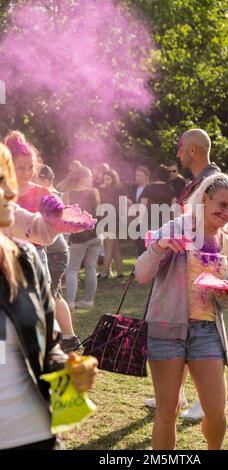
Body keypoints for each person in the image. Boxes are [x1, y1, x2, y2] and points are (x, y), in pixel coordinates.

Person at [135, 173, 228, 450]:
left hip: (207, 332)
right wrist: (159, 247)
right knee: (166, 411)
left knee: (217, 412)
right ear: (205, 198)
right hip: (165, 329)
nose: (227, 212)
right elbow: (141, 274)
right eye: (222, 204)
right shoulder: (175, 229)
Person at [0, 143, 98, 450]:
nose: (7, 193)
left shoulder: (26, 261)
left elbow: (46, 347)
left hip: (37, 434)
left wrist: (66, 374)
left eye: (6, 182)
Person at [145, 129, 222, 420]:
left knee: (204, 327)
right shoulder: (196, 182)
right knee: (183, 326)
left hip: (205, 265)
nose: (176, 154)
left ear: (193, 151)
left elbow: (222, 225)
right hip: (184, 265)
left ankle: (205, 399)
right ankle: (175, 392)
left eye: (180, 148)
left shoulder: (213, 181)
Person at [35, 164, 81, 352]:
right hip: (54, 251)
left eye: (35, 176)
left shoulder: (50, 196)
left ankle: (53, 340)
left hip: (55, 252)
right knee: (55, 294)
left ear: (45, 179)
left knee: (49, 296)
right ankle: (70, 337)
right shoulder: (47, 193)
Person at [4, 131, 51, 277]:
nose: (26, 173)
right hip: (8, 257)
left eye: (30, 167)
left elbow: (49, 228)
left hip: (36, 256)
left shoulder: (42, 192)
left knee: (40, 299)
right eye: (21, 168)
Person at [64, 166, 101, 310]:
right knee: (90, 267)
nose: (91, 179)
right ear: (82, 178)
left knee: (73, 269)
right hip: (94, 234)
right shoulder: (95, 192)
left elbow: (65, 214)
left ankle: (71, 303)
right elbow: (95, 208)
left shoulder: (68, 194)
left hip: (79, 236)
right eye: (89, 176)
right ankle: (88, 300)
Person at [97, 169, 125, 279]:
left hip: (110, 220)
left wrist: (102, 190)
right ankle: (120, 272)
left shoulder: (108, 190)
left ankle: (104, 273)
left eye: (108, 179)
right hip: (116, 220)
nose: (106, 181)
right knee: (115, 248)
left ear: (114, 179)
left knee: (108, 247)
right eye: (104, 179)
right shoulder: (120, 189)